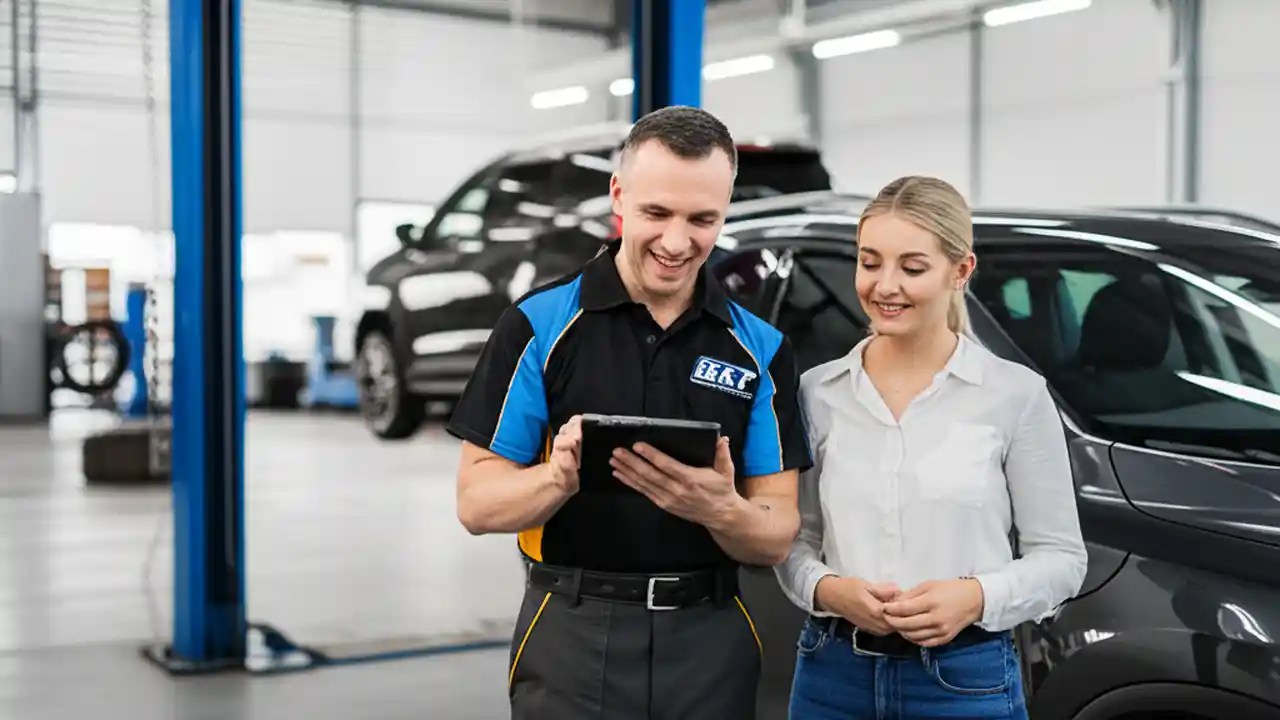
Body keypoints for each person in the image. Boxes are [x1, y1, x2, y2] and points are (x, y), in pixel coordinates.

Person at [447, 106, 811, 720]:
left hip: (709, 639)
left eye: (703, 220)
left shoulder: (762, 350)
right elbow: (477, 504)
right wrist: (555, 478)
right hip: (570, 631)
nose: (677, 242)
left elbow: (777, 532)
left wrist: (719, 507)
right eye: (656, 214)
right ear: (619, 195)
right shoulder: (539, 328)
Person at [775, 175, 1088, 719]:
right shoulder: (817, 393)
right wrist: (828, 589)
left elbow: (1062, 559)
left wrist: (977, 597)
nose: (884, 285)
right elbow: (794, 539)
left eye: (912, 268)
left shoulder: (1014, 395)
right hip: (832, 677)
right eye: (869, 263)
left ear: (960, 271)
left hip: (965, 682)